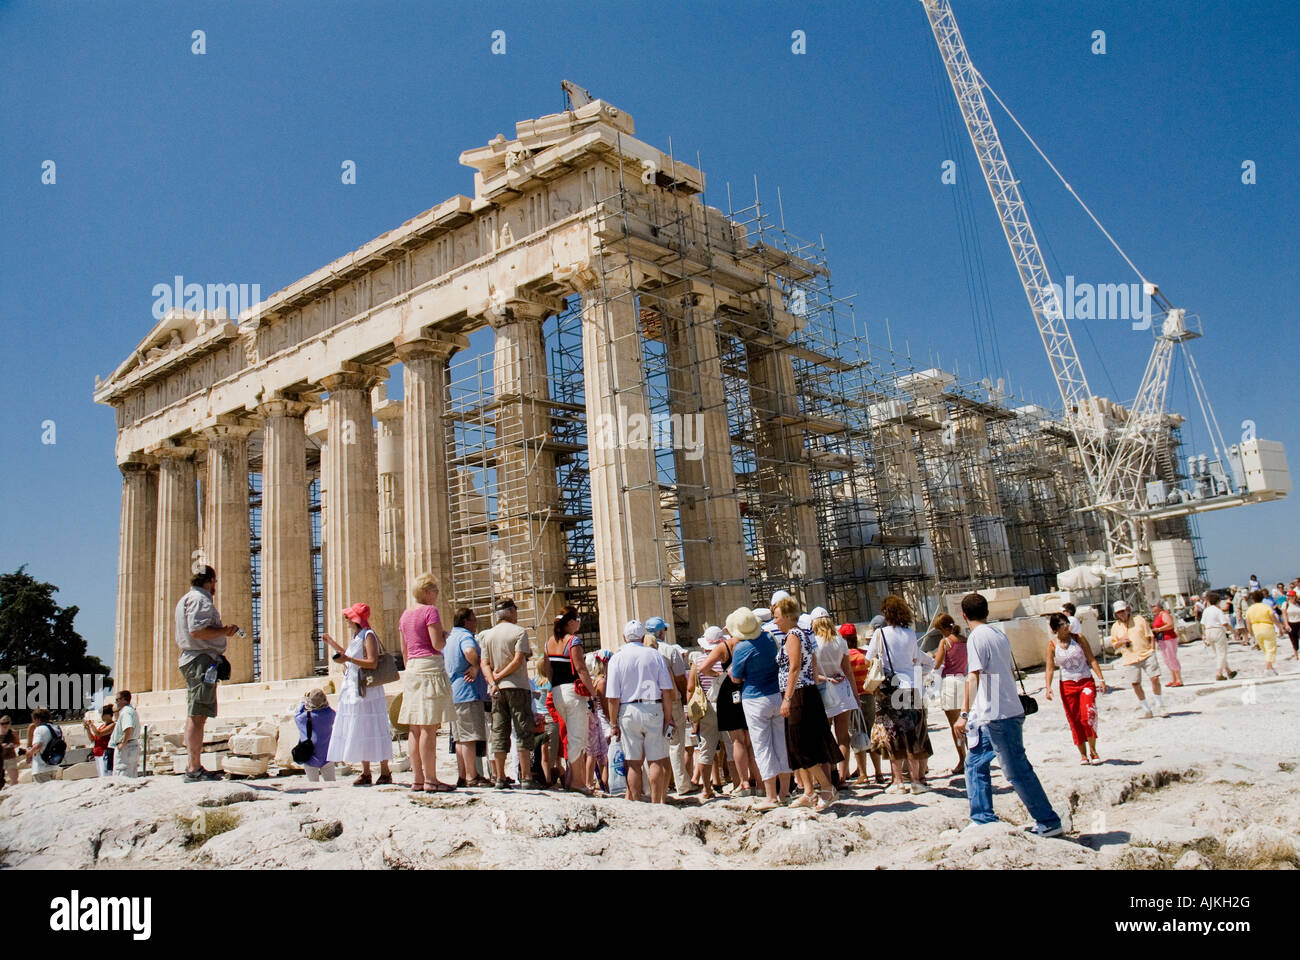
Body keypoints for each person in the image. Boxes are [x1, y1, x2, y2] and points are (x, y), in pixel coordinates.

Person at [955, 593, 1063, 838]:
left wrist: (963, 713)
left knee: (1016, 769)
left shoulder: (976, 638)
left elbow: (974, 676)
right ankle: (982, 818)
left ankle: (1048, 820)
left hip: (999, 714)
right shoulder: (998, 634)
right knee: (974, 763)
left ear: (963, 615)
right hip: (993, 712)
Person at [175, 565, 242, 782]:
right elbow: (197, 631)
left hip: (197, 659)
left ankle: (193, 766)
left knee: (196, 714)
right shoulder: (200, 600)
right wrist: (225, 631)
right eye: (215, 581)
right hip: (200, 660)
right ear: (209, 580)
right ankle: (194, 768)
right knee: (197, 715)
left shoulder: (188, 598)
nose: (215, 586)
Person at [773, 596, 841, 810]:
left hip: (798, 694)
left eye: (776, 617)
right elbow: (811, 662)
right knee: (796, 744)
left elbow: (794, 668)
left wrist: (787, 698)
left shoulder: (793, 635)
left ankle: (827, 788)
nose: (774, 622)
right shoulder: (803, 634)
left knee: (801, 745)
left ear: (786, 616)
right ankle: (809, 792)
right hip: (805, 691)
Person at [725, 607, 792, 811]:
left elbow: (736, 677)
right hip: (775, 695)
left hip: (754, 698)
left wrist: (732, 674)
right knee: (781, 743)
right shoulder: (770, 638)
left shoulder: (742, 648)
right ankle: (786, 792)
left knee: (762, 747)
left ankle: (770, 796)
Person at [866, 595, 933, 795]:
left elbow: (869, 658)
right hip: (911, 686)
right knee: (912, 734)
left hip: (891, 688)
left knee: (893, 734)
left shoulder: (880, 634)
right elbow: (915, 658)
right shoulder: (911, 634)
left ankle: (897, 781)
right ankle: (916, 780)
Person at [323, 603, 394, 786]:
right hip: (353, 687)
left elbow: (372, 662)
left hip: (368, 688)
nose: (346, 620)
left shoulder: (368, 635)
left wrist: (347, 659)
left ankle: (385, 771)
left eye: (348, 617)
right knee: (360, 726)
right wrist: (332, 644)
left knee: (375, 726)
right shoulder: (357, 636)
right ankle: (366, 772)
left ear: (355, 619)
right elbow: (349, 658)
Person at [397, 575, 455, 792]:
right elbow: (437, 644)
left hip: (412, 668)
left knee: (414, 727)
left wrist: (410, 668)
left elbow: (404, 650)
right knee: (429, 727)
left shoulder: (405, 615)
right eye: (436, 591)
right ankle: (431, 780)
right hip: (429, 667)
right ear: (428, 592)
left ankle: (418, 779)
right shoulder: (430, 611)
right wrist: (445, 636)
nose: (437, 595)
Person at [605, 620, 673, 803]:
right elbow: (667, 690)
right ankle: (657, 801)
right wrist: (669, 718)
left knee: (633, 763)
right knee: (656, 760)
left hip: (628, 709)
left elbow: (612, 697)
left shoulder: (616, 658)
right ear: (643, 637)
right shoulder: (654, 655)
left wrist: (613, 723)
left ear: (624, 637)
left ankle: (636, 802)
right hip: (653, 706)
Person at [695, 625, 762, 796]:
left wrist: (717, 675)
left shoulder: (724, 647)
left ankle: (744, 783)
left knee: (737, 741)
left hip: (729, 693)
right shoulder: (751, 642)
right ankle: (760, 783)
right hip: (748, 689)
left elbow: (702, 668)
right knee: (751, 741)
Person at [480, 598, 537, 789]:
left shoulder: (486, 635)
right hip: (517, 685)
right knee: (522, 729)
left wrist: (493, 680)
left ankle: (500, 777)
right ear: (511, 611)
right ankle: (526, 776)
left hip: (496, 689)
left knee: (499, 730)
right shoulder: (519, 632)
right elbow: (518, 660)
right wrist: (501, 676)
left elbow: (484, 663)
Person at [545, 607, 598, 794]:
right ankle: (577, 781)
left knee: (570, 736)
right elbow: (581, 668)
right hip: (572, 692)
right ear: (570, 622)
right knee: (578, 737)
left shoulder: (549, 642)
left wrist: (555, 685)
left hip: (557, 691)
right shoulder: (573, 641)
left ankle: (572, 778)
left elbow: (547, 669)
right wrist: (593, 693)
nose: (579, 622)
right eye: (577, 619)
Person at [1044, 612, 1107, 765]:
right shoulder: (1052, 646)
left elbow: (1091, 658)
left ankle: (1093, 750)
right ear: (1055, 629)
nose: (1065, 626)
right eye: (1061, 624)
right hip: (1067, 684)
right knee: (1074, 719)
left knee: (1088, 714)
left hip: (1085, 680)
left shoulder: (1078, 638)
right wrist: (1048, 687)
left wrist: (1101, 678)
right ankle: (1083, 754)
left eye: (1066, 622)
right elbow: (1050, 668)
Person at [644, 616, 693, 797]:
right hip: (671, 700)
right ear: (661, 632)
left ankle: (652, 786)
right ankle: (681, 784)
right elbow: (680, 677)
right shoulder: (669, 650)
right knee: (675, 743)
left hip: (649, 702)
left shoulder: (640, 652)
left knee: (651, 745)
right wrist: (683, 698)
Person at [445, 607, 492, 787]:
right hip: (467, 692)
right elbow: (469, 651)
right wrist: (475, 665)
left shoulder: (449, 638)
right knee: (470, 737)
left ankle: (462, 775)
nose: (476, 622)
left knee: (459, 738)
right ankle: (473, 776)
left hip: (454, 692)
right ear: (466, 622)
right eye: (474, 619)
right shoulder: (465, 636)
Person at [811, 607, 856, 785]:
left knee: (825, 735)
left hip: (824, 689)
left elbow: (813, 672)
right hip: (842, 688)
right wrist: (855, 695)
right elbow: (848, 671)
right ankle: (843, 777)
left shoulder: (813, 642)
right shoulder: (840, 641)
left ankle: (831, 773)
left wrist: (826, 678)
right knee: (843, 736)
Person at [842, 623, 884, 785]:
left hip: (854, 698)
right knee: (871, 734)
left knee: (857, 735)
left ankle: (863, 774)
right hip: (869, 696)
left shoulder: (845, 658)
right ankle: (879, 773)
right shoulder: (864, 655)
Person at [687, 626, 726, 800]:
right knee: (732, 746)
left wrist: (692, 712)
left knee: (706, 748)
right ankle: (742, 782)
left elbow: (690, 688)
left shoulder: (698, 661)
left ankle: (706, 788)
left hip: (707, 707)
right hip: (726, 705)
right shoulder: (726, 659)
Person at [1109, 600, 1165, 718]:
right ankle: (1146, 709)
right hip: (1130, 658)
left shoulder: (1139, 620)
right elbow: (1114, 645)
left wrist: (1152, 650)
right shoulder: (1115, 627)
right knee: (1135, 684)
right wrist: (1121, 641)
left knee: (1154, 678)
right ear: (1115, 614)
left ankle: (1160, 705)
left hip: (1146, 654)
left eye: (1123, 611)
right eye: (1118, 613)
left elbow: (1150, 635)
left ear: (1127, 610)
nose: (1121, 614)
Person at [931, 614, 968, 777]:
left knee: (954, 725)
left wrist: (933, 656)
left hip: (950, 683)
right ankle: (971, 756)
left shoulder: (945, 642)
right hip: (964, 680)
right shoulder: (964, 640)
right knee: (966, 722)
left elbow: (937, 664)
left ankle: (962, 759)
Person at [295, 688, 337, 782]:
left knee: (313, 785)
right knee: (331, 784)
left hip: (310, 755)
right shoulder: (330, 714)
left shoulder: (303, 718)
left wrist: (303, 702)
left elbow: (297, 715)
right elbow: (331, 709)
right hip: (327, 755)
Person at [1200, 592, 1237, 681]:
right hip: (1217, 630)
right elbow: (1224, 623)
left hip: (1208, 631)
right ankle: (1219, 673)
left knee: (1218, 653)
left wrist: (1204, 635)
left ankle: (1228, 671)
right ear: (1218, 601)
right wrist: (1233, 632)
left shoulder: (1206, 610)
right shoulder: (1217, 610)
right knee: (1222, 653)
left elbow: (1202, 624)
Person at [1245, 590, 1281, 674]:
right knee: (1271, 648)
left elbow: (1248, 623)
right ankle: (1268, 668)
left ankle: (1270, 668)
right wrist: (1279, 627)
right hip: (1267, 627)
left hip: (1256, 629)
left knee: (1265, 649)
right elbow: (1273, 617)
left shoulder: (1250, 609)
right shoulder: (1266, 607)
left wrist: (1251, 634)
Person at [1150, 601, 1183, 687]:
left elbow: (1171, 625)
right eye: (1151, 606)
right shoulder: (1157, 616)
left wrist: (1159, 629)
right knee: (1167, 659)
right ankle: (1173, 679)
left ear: (1159, 606)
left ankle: (1179, 679)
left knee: (1172, 657)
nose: (1152, 608)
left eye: (1154, 606)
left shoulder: (1164, 614)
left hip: (1169, 638)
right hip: (1161, 639)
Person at [110, 691, 141, 778]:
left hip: (126, 746)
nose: (116, 702)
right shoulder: (131, 710)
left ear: (124, 700)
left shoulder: (126, 712)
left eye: (117, 700)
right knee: (131, 772)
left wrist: (123, 743)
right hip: (132, 744)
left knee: (122, 772)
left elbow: (128, 728)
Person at [26, 708, 61, 783]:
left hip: (41, 768)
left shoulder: (39, 729)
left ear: (38, 719)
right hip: (54, 766)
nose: (33, 722)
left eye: (34, 720)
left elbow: (37, 746)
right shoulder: (56, 728)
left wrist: (28, 754)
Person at [83, 704, 116, 777]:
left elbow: (99, 733)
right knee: (101, 775)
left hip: (105, 753)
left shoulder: (112, 725)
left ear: (108, 715)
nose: (101, 716)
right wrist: (88, 729)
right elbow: (92, 739)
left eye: (103, 714)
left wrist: (91, 724)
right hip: (98, 754)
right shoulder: (102, 726)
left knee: (106, 775)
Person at [1, 715, 20, 788]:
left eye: (7, 723)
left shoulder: (13, 732)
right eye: (2, 723)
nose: (5, 725)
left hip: (10, 757)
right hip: (1, 758)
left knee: (14, 778)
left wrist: (13, 745)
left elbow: (18, 743)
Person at [1284, 590, 1300, 660]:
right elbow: (1284, 615)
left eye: (1292, 596)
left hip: (1299, 622)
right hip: (1291, 623)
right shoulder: (1286, 604)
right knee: (1294, 640)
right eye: (1289, 596)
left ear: (1295, 596)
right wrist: (1286, 624)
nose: (1291, 597)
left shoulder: (1298, 603)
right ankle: (1296, 655)